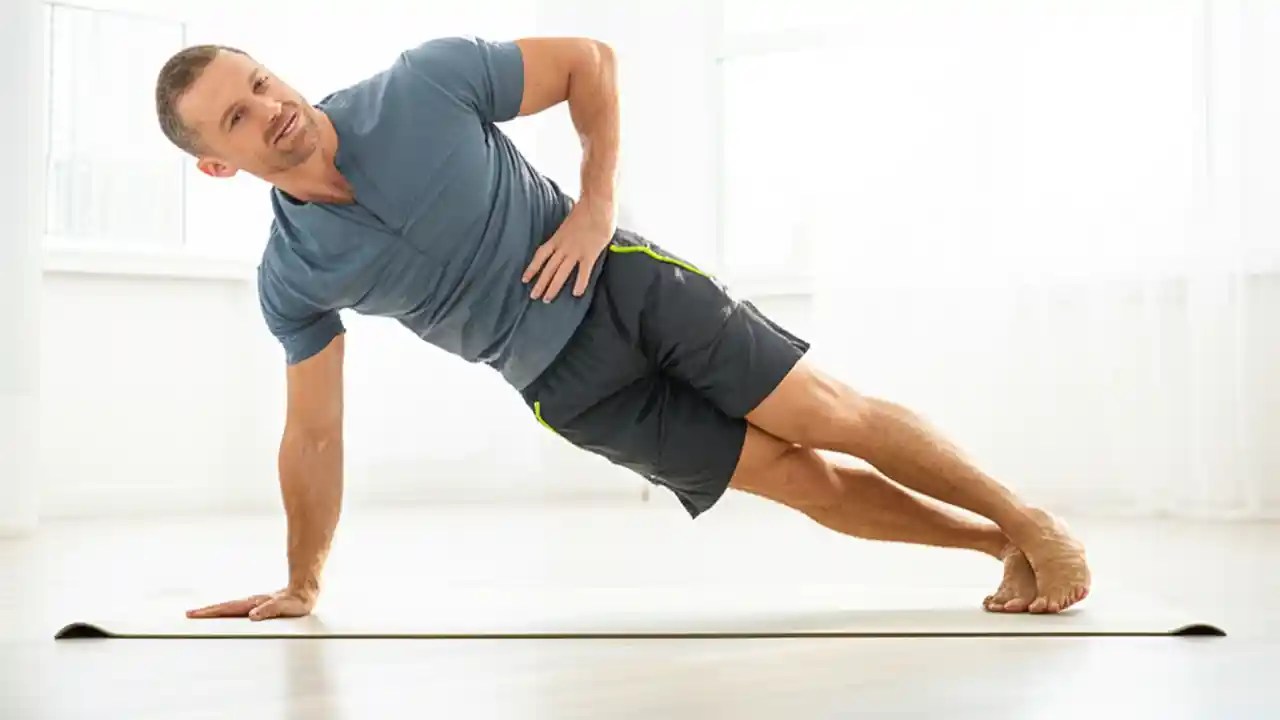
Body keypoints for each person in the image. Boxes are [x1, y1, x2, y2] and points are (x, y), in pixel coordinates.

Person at [153, 35, 1089, 622]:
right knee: (797, 480)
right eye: (237, 117)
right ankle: (991, 545)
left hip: (625, 286)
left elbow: (587, 62)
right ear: (217, 165)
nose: (271, 110)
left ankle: (1030, 522)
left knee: (825, 414)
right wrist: (304, 580)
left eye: (262, 82)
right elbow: (314, 433)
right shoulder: (294, 274)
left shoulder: (420, 84)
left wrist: (595, 204)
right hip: (567, 390)